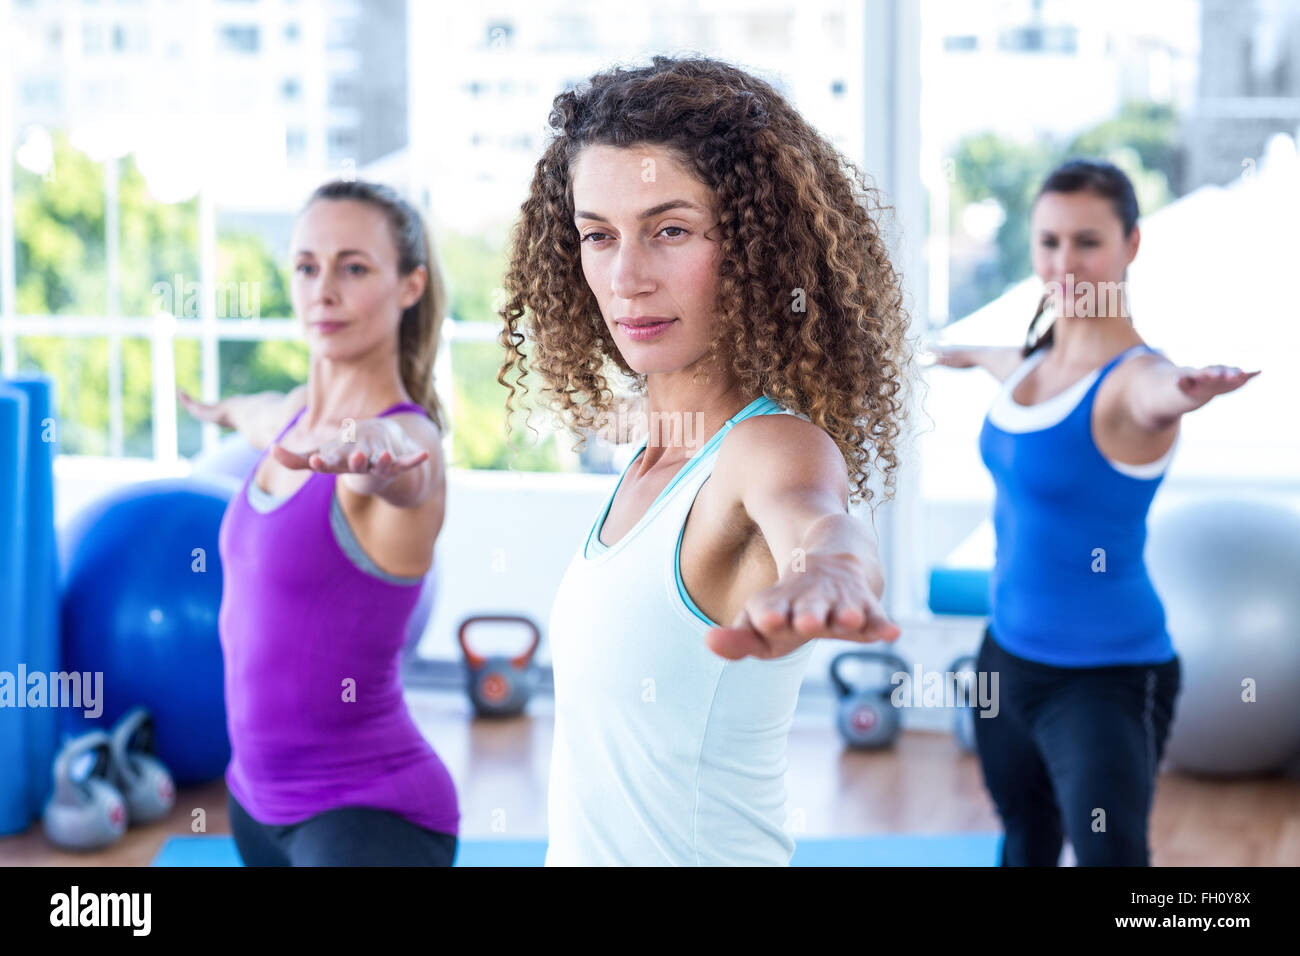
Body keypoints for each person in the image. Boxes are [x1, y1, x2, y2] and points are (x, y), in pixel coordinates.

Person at [497, 55, 910, 866]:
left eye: (671, 230)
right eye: (598, 236)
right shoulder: (652, 461)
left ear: (760, 247)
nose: (626, 277)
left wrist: (832, 573)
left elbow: (816, 518)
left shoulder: (765, 446)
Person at [931, 158, 1260, 866]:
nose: (1064, 263)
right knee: (1024, 842)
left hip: (1104, 682)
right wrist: (954, 352)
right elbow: (1002, 359)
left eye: (1088, 241)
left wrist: (1188, 388)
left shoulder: (1134, 381)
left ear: (1131, 245)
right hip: (1005, 659)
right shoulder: (1028, 363)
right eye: (1049, 242)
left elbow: (1156, 392)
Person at [179, 179, 459, 866]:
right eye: (307, 266)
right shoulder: (295, 418)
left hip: (368, 821)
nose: (322, 289)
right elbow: (259, 413)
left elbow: (404, 465)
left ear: (409, 285)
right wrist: (222, 411)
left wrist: (375, 456)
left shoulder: (403, 442)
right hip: (251, 806)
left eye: (354, 267)